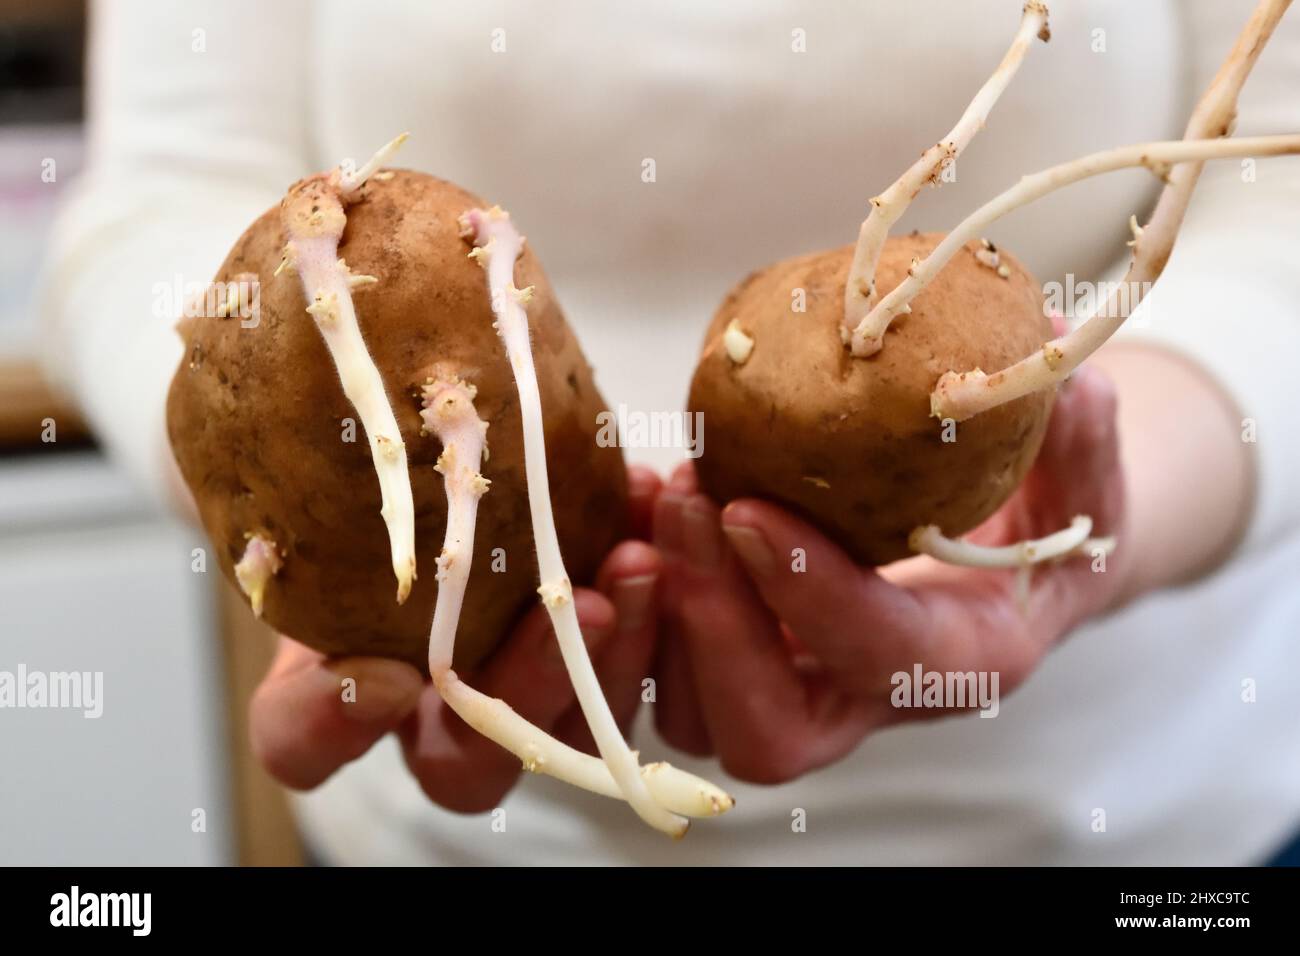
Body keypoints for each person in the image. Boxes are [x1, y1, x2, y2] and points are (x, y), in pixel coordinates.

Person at [40, 0, 1300, 864]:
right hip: (453, 835)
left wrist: (1097, 517)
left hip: (1134, 822)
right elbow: (158, 188)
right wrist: (291, 517)